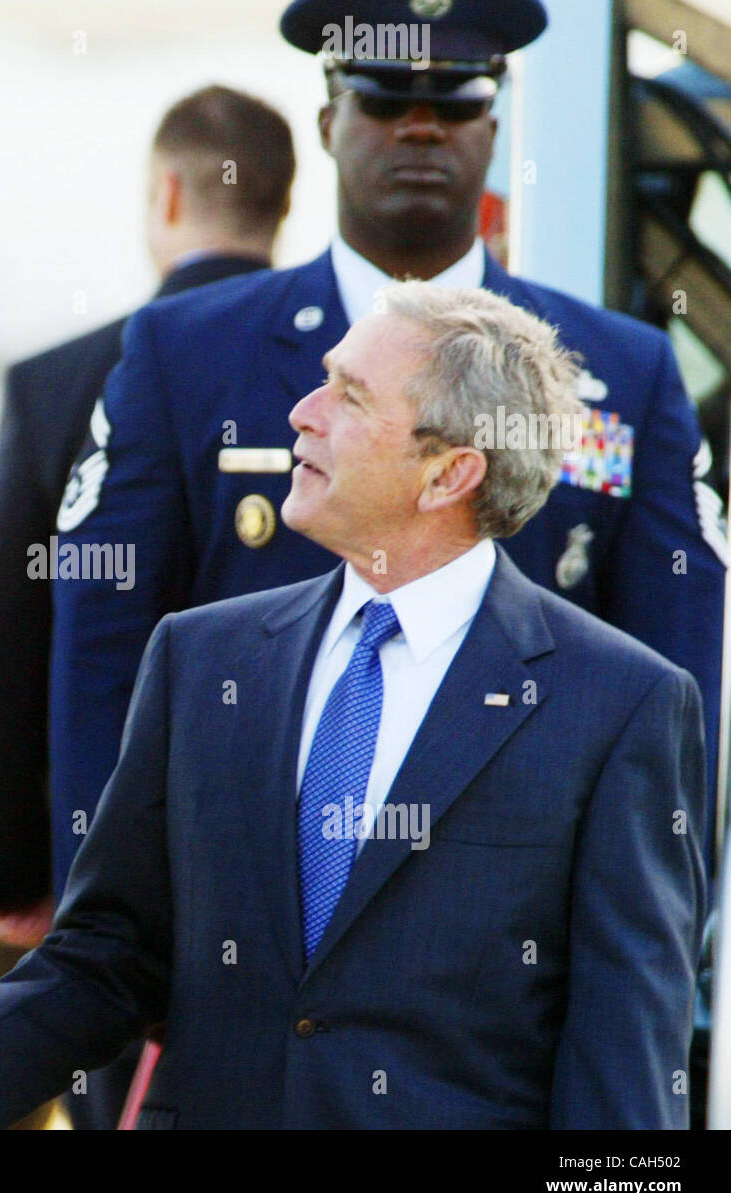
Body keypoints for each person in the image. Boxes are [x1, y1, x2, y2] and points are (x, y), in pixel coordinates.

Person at [0, 282, 708, 1129]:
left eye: (349, 396)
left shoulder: (620, 706)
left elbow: (624, 1066)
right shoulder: (202, 657)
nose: (301, 412)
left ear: (450, 473)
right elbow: (111, 951)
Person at [48, 0, 726, 924]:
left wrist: (652, 930)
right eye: (385, 98)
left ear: (494, 124)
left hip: (509, 943)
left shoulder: (620, 372)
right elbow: (102, 658)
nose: (419, 127)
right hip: (239, 914)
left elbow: (677, 678)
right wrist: (114, 932)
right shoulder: (187, 354)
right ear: (328, 120)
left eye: (452, 101)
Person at [0, 85, 296, 950]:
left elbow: (7, 648)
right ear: (284, 203)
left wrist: (14, 870)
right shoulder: (342, 376)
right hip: (297, 863)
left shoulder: (59, 381)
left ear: (168, 196)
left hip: (112, 876)